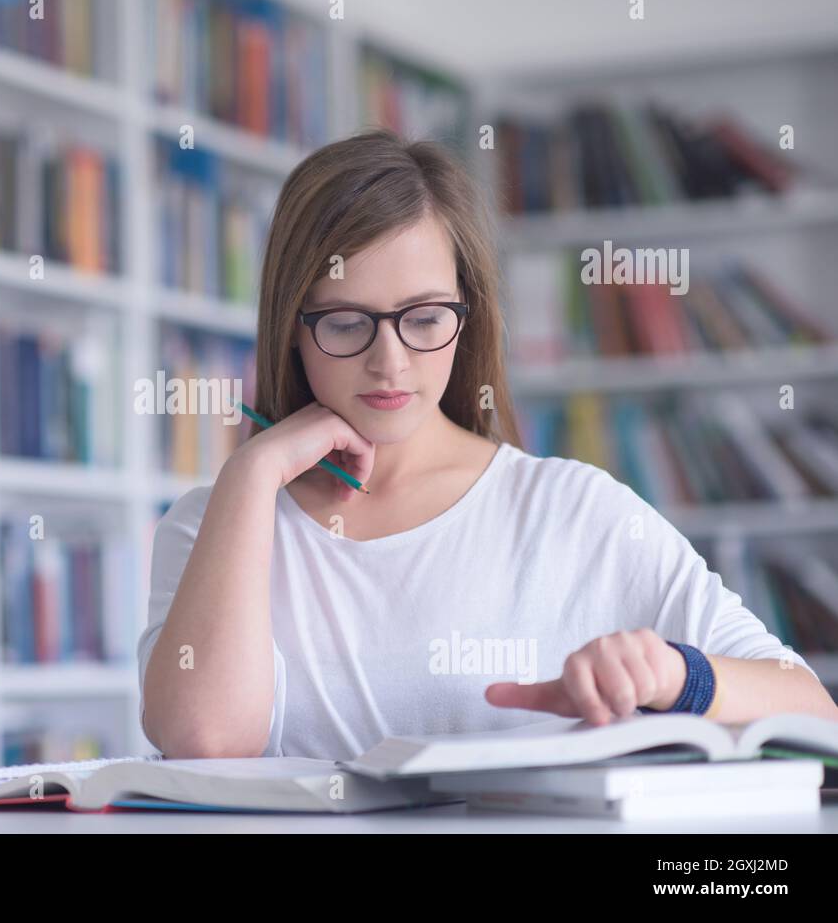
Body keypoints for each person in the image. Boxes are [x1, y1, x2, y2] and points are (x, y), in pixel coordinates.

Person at [137, 129, 838, 761]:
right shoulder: (214, 523)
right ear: (292, 323)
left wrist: (678, 675)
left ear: (466, 316)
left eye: (425, 317)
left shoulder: (572, 509)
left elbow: (811, 709)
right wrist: (253, 475)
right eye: (347, 322)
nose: (390, 361)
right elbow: (207, 740)